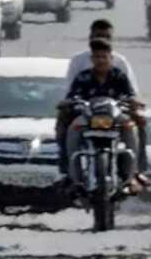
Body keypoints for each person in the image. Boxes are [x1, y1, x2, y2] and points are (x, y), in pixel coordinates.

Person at [60, 38, 144, 191]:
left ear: (110, 58)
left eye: (104, 57)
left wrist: (134, 101)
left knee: (131, 129)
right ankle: (74, 178)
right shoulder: (83, 77)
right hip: (88, 118)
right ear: (92, 59)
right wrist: (69, 102)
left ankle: (131, 176)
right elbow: (72, 96)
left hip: (115, 117)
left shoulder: (119, 76)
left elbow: (130, 95)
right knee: (72, 130)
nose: (101, 60)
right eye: (97, 57)